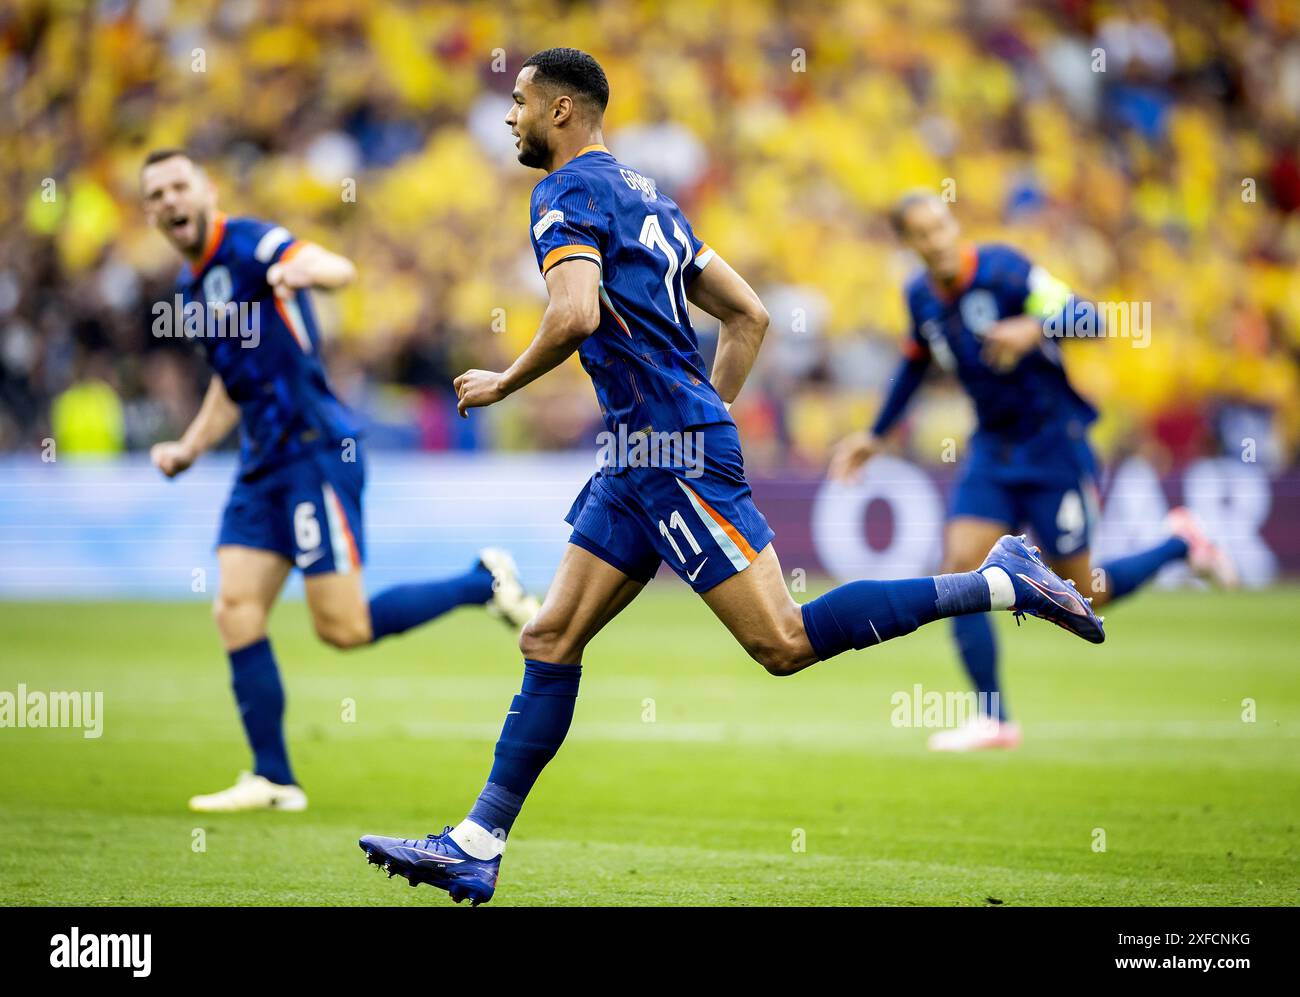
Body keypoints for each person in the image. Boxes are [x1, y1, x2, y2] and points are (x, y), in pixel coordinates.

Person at [357, 49, 1103, 906]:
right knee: (549, 636)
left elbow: (574, 314)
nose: (508, 117)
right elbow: (748, 314)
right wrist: (699, 412)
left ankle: (999, 583)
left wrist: (504, 382)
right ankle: (475, 844)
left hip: (662, 447)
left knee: (781, 643)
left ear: (562, 112)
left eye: (519, 101)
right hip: (642, 453)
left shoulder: (562, 193)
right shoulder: (650, 198)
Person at [141, 150, 539, 812]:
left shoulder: (249, 243)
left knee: (343, 627)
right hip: (260, 462)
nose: (169, 200)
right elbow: (231, 384)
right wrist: (187, 446)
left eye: (179, 184)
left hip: (316, 451)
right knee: (235, 609)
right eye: (155, 194)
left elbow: (339, 267)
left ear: (207, 188)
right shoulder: (190, 291)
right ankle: (273, 777)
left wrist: (305, 268)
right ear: (150, 210)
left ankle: (482, 580)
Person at [828, 192, 1236, 752]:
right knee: (959, 566)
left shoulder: (1006, 271)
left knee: (1083, 590)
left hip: (1054, 445)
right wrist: (876, 434)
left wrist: (1035, 327)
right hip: (994, 450)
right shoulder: (920, 296)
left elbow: (1091, 318)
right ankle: (993, 718)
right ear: (909, 244)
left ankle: (1180, 544)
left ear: (953, 224)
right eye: (922, 233)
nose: (937, 239)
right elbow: (915, 363)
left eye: (942, 225)